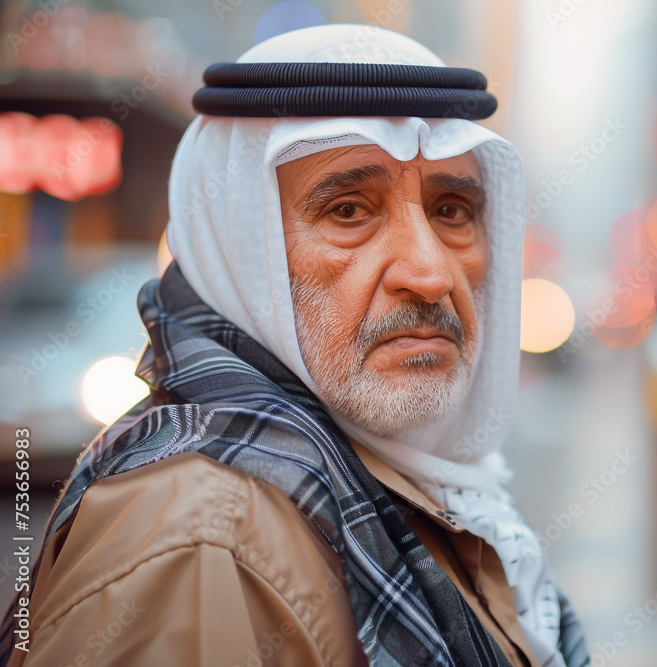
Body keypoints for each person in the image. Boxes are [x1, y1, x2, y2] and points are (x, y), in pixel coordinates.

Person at [1, 24, 589, 667]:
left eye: (451, 211)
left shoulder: (436, 489)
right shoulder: (202, 546)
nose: (428, 274)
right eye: (348, 212)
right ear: (243, 256)